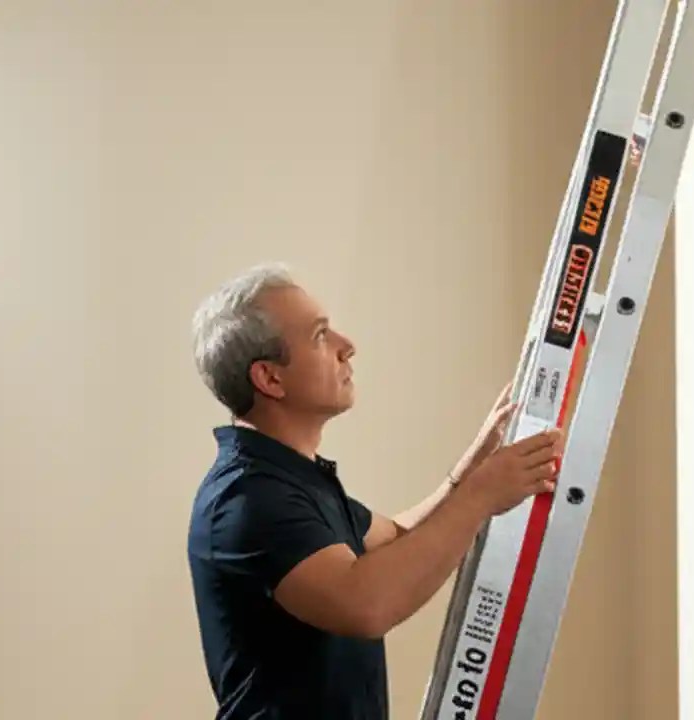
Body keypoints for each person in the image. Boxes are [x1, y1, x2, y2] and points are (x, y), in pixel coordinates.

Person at [186, 262, 562, 719]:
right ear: (270, 378)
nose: (347, 347)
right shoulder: (246, 499)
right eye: (320, 336)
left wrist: (471, 470)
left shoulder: (291, 479)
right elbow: (365, 603)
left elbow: (399, 538)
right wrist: (480, 496)